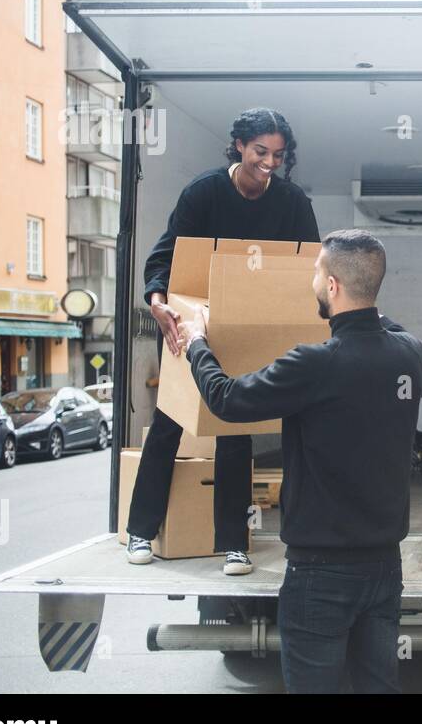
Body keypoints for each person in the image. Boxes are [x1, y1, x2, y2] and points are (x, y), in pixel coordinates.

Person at [180, 229, 422, 693]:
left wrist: (197, 342)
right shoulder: (407, 357)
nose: (313, 280)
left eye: (318, 271)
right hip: (384, 569)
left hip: (319, 574)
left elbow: (227, 399)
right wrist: (375, 313)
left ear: (334, 286)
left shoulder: (314, 365)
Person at [125, 108, 320, 575]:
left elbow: (310, 265)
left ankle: (233, 543)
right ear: (239, 145)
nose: (269, 162)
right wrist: (157, 303)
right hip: (187, 317)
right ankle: (139, 531)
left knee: (235, 430)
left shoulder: (292, 202)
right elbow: (164, 255)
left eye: (278, 154)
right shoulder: (204, 192)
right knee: (170, 423)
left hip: (244, 322)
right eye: (260, 152)